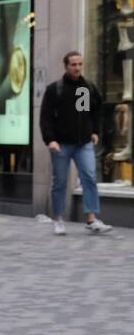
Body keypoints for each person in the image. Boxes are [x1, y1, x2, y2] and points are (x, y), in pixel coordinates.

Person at [41, 52, 113, 234]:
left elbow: (93, 111)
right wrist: (51, 140)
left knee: (89, 177)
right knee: (60, 182)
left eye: (80, 64)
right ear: (66, 66)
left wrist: (95, 131)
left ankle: (91, 219)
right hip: (61, 144)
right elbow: (46, 117)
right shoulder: (55, 89)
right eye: (73, 64)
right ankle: (58, 219)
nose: (77, 68)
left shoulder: (86, 88)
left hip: (83, 144)